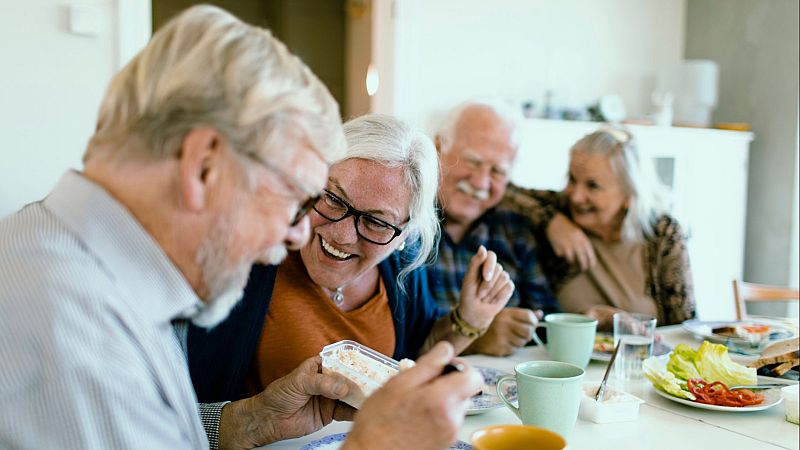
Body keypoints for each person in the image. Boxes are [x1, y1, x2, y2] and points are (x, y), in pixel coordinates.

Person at [0, 6, 481, 450]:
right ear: (204, 167)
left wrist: (251, 420)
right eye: (294, 196)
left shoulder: (74, 257)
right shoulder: (77, 328)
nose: (298, 233)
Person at [188, 113, 513, 401]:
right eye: (332, 198)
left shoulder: (401, 263)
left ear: (405, 234)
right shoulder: (252, 254)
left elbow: (414, 359)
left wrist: (469, 319)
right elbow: (180, 408)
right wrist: (253, 420)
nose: (342, 235)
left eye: (376, 222)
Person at [503, 127, 696, 330]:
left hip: (641, 351)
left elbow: (686, 327)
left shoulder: (663, 233)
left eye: (593, 186)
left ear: (629, 194)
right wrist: (552, 221)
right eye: (572, 179)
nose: (576, 196)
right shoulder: (559, 210)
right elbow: (501, 189)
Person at [428, 100, 559, 356]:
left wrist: (589, 322)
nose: (481, 182)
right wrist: (476, 337)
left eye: (498, 171)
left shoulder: (514, 230)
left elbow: (547, 323)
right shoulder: (402, 225)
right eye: (473, 161)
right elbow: (394, 342)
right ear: (438, 148)